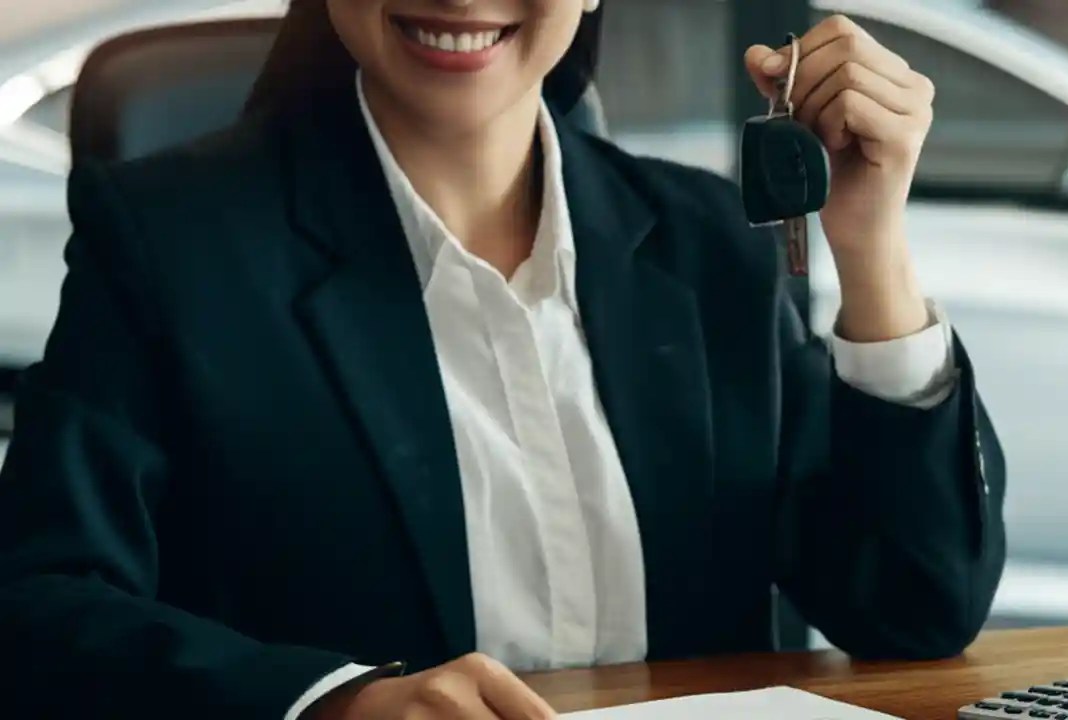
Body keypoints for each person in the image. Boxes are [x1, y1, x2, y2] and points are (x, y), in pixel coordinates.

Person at [0, 0, 1006, 718]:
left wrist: (870, 242)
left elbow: (915, 609)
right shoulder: (171, 244)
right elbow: (36, 607)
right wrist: (335, 703)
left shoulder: (706, 242)